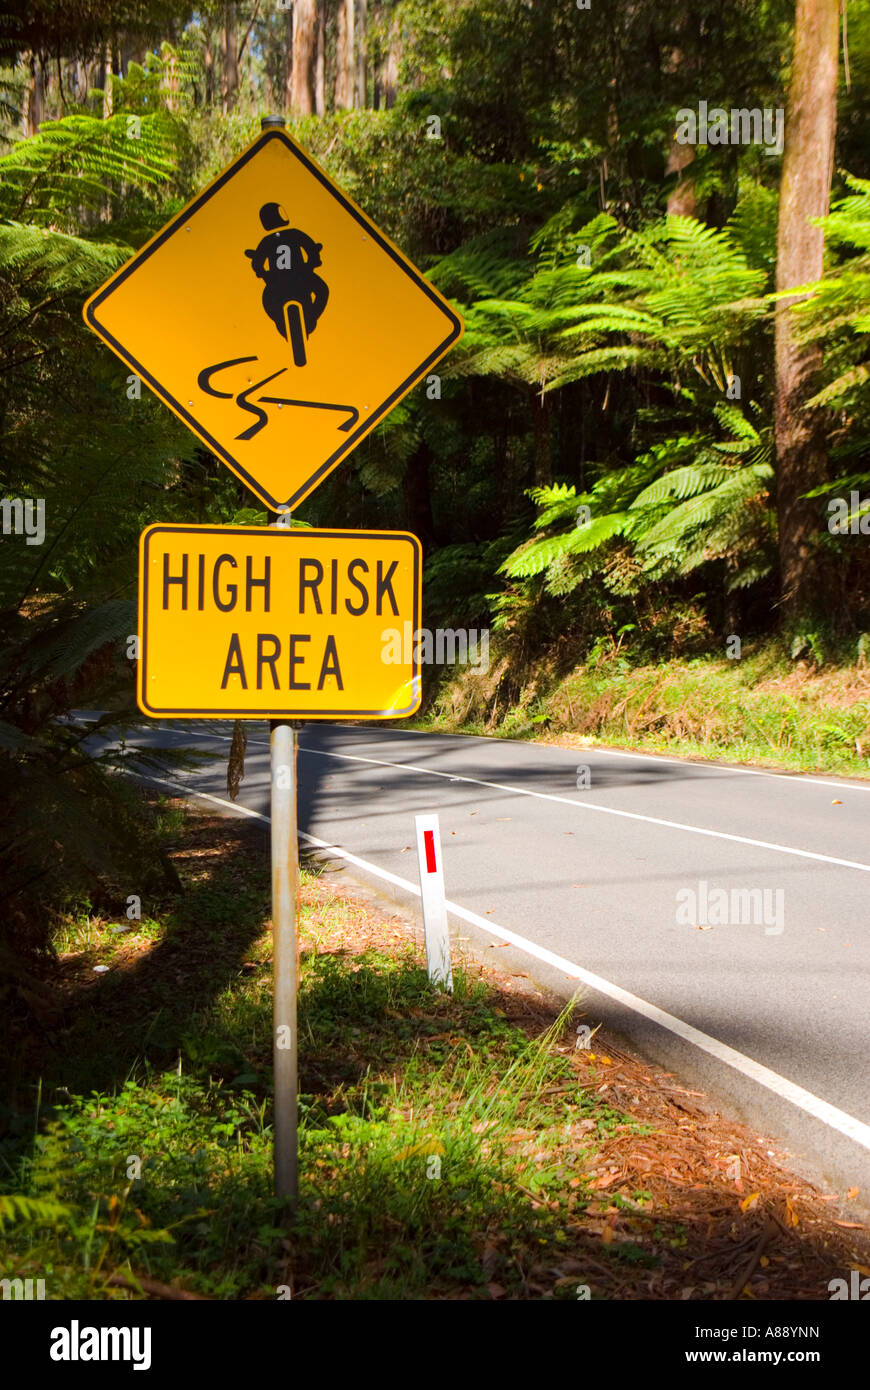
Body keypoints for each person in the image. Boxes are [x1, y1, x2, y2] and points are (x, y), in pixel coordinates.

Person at [244, 202, 329, 341]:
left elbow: (257, 263)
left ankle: (281, 322)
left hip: (277, 282)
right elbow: (311, 249)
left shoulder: (267, 241)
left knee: (267, 301)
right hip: (301, 277)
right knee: (322, 290)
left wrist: (264, 274)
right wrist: (312, 263)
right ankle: (311, 317)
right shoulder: (295, 234)